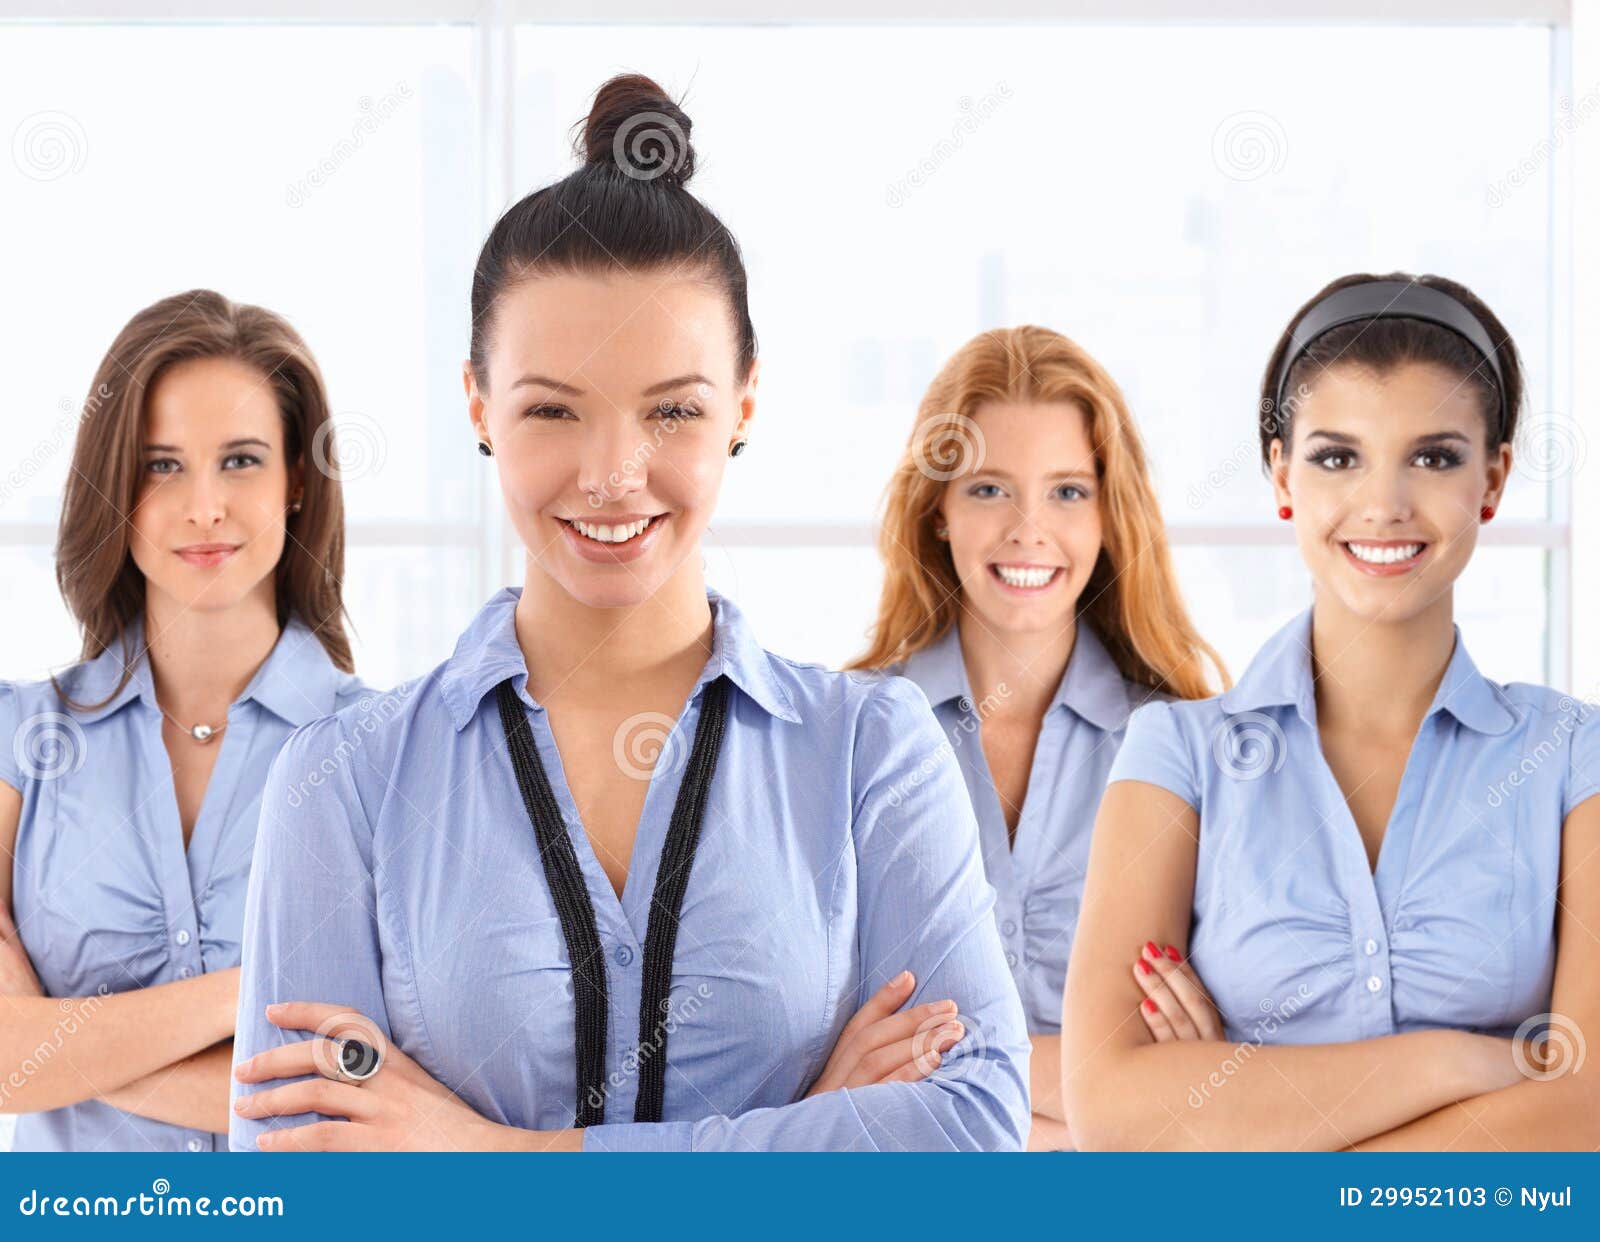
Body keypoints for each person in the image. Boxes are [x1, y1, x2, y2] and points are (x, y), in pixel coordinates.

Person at [228, 74, 1029, 1153]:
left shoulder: (869, 755)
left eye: (673, 411)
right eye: (552, 409)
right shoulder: (346, 780)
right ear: (477, 404)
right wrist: (807, 1129)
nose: (613, 474)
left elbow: (969, 1140)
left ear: (745, 402)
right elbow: (302, 1185)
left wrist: (487, 1155)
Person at [1063, 273, 1600, 1150]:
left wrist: (1237, 1131)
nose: (1384, 504)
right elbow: (1112, 1111)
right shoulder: (1178, 757)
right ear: (1282, 474)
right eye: (1337, 456)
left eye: (1434, 456)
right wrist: (1463, 1062)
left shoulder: (1575, 758)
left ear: (1493, 479)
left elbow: (1588, 1113)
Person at [0, 290, 365, 1150]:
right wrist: (256, 994)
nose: (204, 507)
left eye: (240, 460)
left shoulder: (387, 751)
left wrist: (54, 1048)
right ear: (114, 486)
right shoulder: (20, 742)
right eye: (162, 465)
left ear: (297, 483)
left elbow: (373, 1097)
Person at [849, 324, 1225, 1147]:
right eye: (988, 489)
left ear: (1108, 516)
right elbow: (828, 1059)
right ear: (937, 510)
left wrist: (951, 1081)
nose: (1028, 528)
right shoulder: (849, 736)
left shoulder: (1188, 749)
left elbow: (1210, 1080)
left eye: (1067, 491)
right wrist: (1118, 1085)